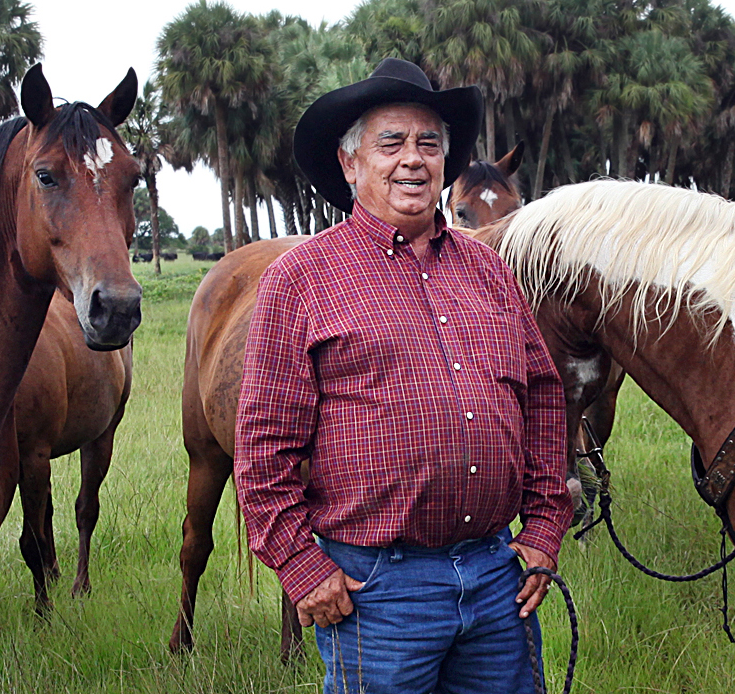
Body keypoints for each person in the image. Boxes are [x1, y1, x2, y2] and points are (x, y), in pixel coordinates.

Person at [237, 57, 573, 693]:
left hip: (497, 576)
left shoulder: (488, 270)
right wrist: (301, 565)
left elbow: (543, 401)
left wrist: (544, 528)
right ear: (350, 163)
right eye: (390, 143)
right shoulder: (301, 279)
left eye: (429, 143)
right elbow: (262, 447)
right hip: (377, 587)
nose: (412, 159)